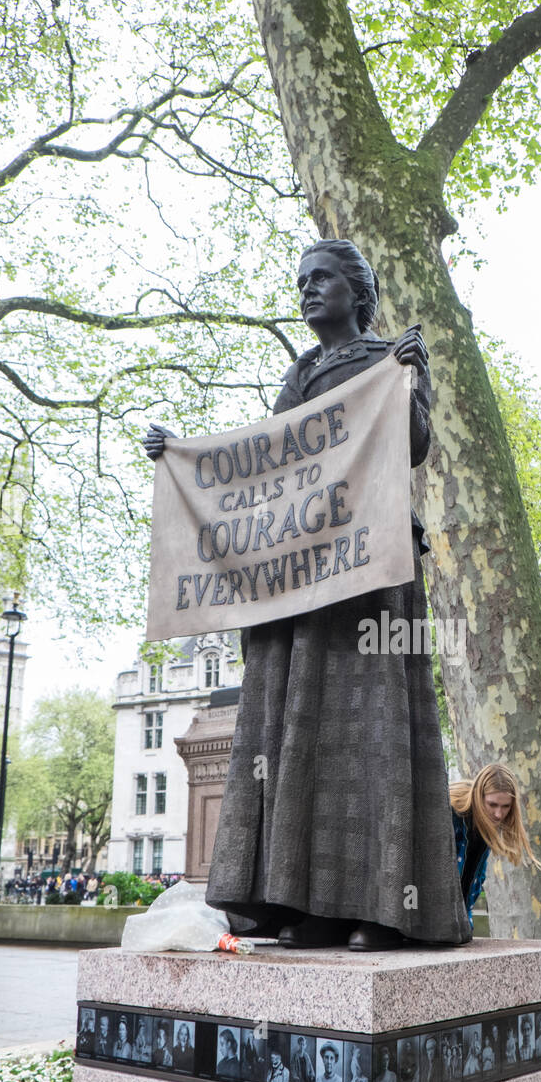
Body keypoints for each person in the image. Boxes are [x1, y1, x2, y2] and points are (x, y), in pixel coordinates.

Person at [145, 239, 469, 952]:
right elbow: (259, 475)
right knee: (302, 738)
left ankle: (386, 907)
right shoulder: (299, 376)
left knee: (369, 735)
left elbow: (412, 447)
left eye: (320, 279)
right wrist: (181, 458)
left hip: (370, 571)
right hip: (301, 580)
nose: (307, 291)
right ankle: (307, 901)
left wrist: (411, 380)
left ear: (357, 291)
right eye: (300, 282)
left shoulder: (390, 359)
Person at [449, 764, 541, 928]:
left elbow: (474, 879)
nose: (499, 814)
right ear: (479, 797)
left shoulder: (485, 823)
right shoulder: (451, 812)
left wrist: (465, 922)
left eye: (506, 806)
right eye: (492, 805)